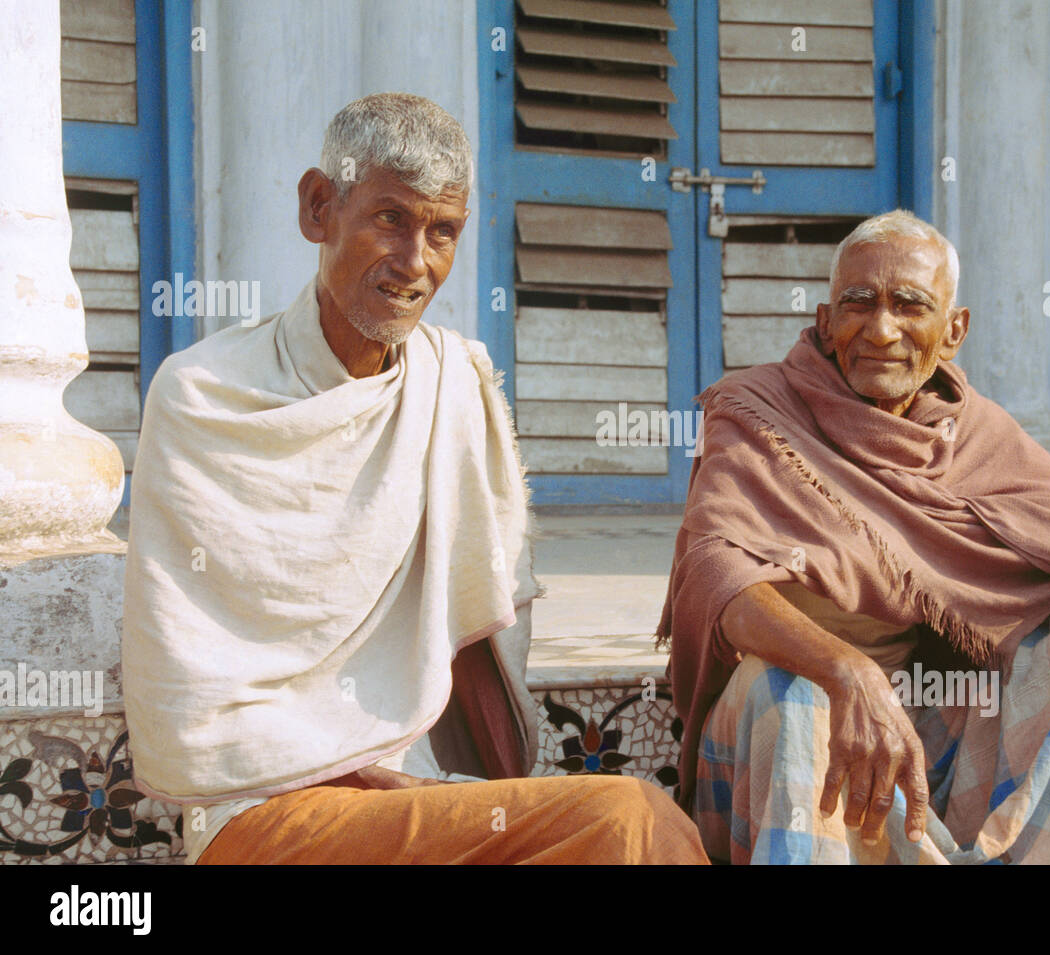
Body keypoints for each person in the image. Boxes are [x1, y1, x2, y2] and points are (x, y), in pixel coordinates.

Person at [122, 93, 707, 865]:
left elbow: (483, 631)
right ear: (318, 206)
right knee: (626, 818)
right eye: (390, 219)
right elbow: (186, 670)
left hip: (421, 790)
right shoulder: (204, 393)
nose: (415, 263)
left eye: (443, 232)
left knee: (636, 824)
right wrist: (356, 769)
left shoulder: (452, 382)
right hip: (262, 812)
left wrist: (441, 783)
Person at [657, 209, 1050, 865]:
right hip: (770, 740)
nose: (881, 329)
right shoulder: (755, 408)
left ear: (953, 331)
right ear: (826, 323)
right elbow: (716, 575)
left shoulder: (974, 432)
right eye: (858, 303)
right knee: (790, 689)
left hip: (917, 725)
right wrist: (846, 669)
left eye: (910, 305)